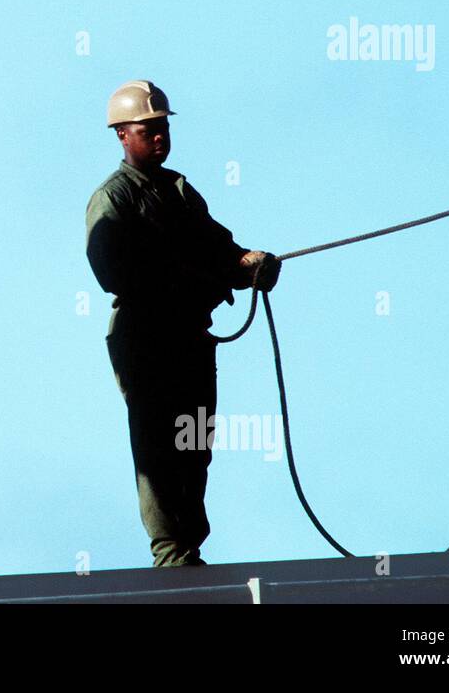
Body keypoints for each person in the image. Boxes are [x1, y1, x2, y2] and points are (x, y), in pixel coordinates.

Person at [85, 80, 280, 566]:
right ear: (122, 136)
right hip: (147, 338)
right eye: (146, 129)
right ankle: (171, 553)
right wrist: (190, 278)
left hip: (190, 339)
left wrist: (248, 265)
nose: (157, 136)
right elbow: (112, 270)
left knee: (194, 444)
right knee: (158, 447)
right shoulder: (115, 197)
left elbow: (219, 248)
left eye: (162, 127)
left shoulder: (178, 191)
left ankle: (189, 545)